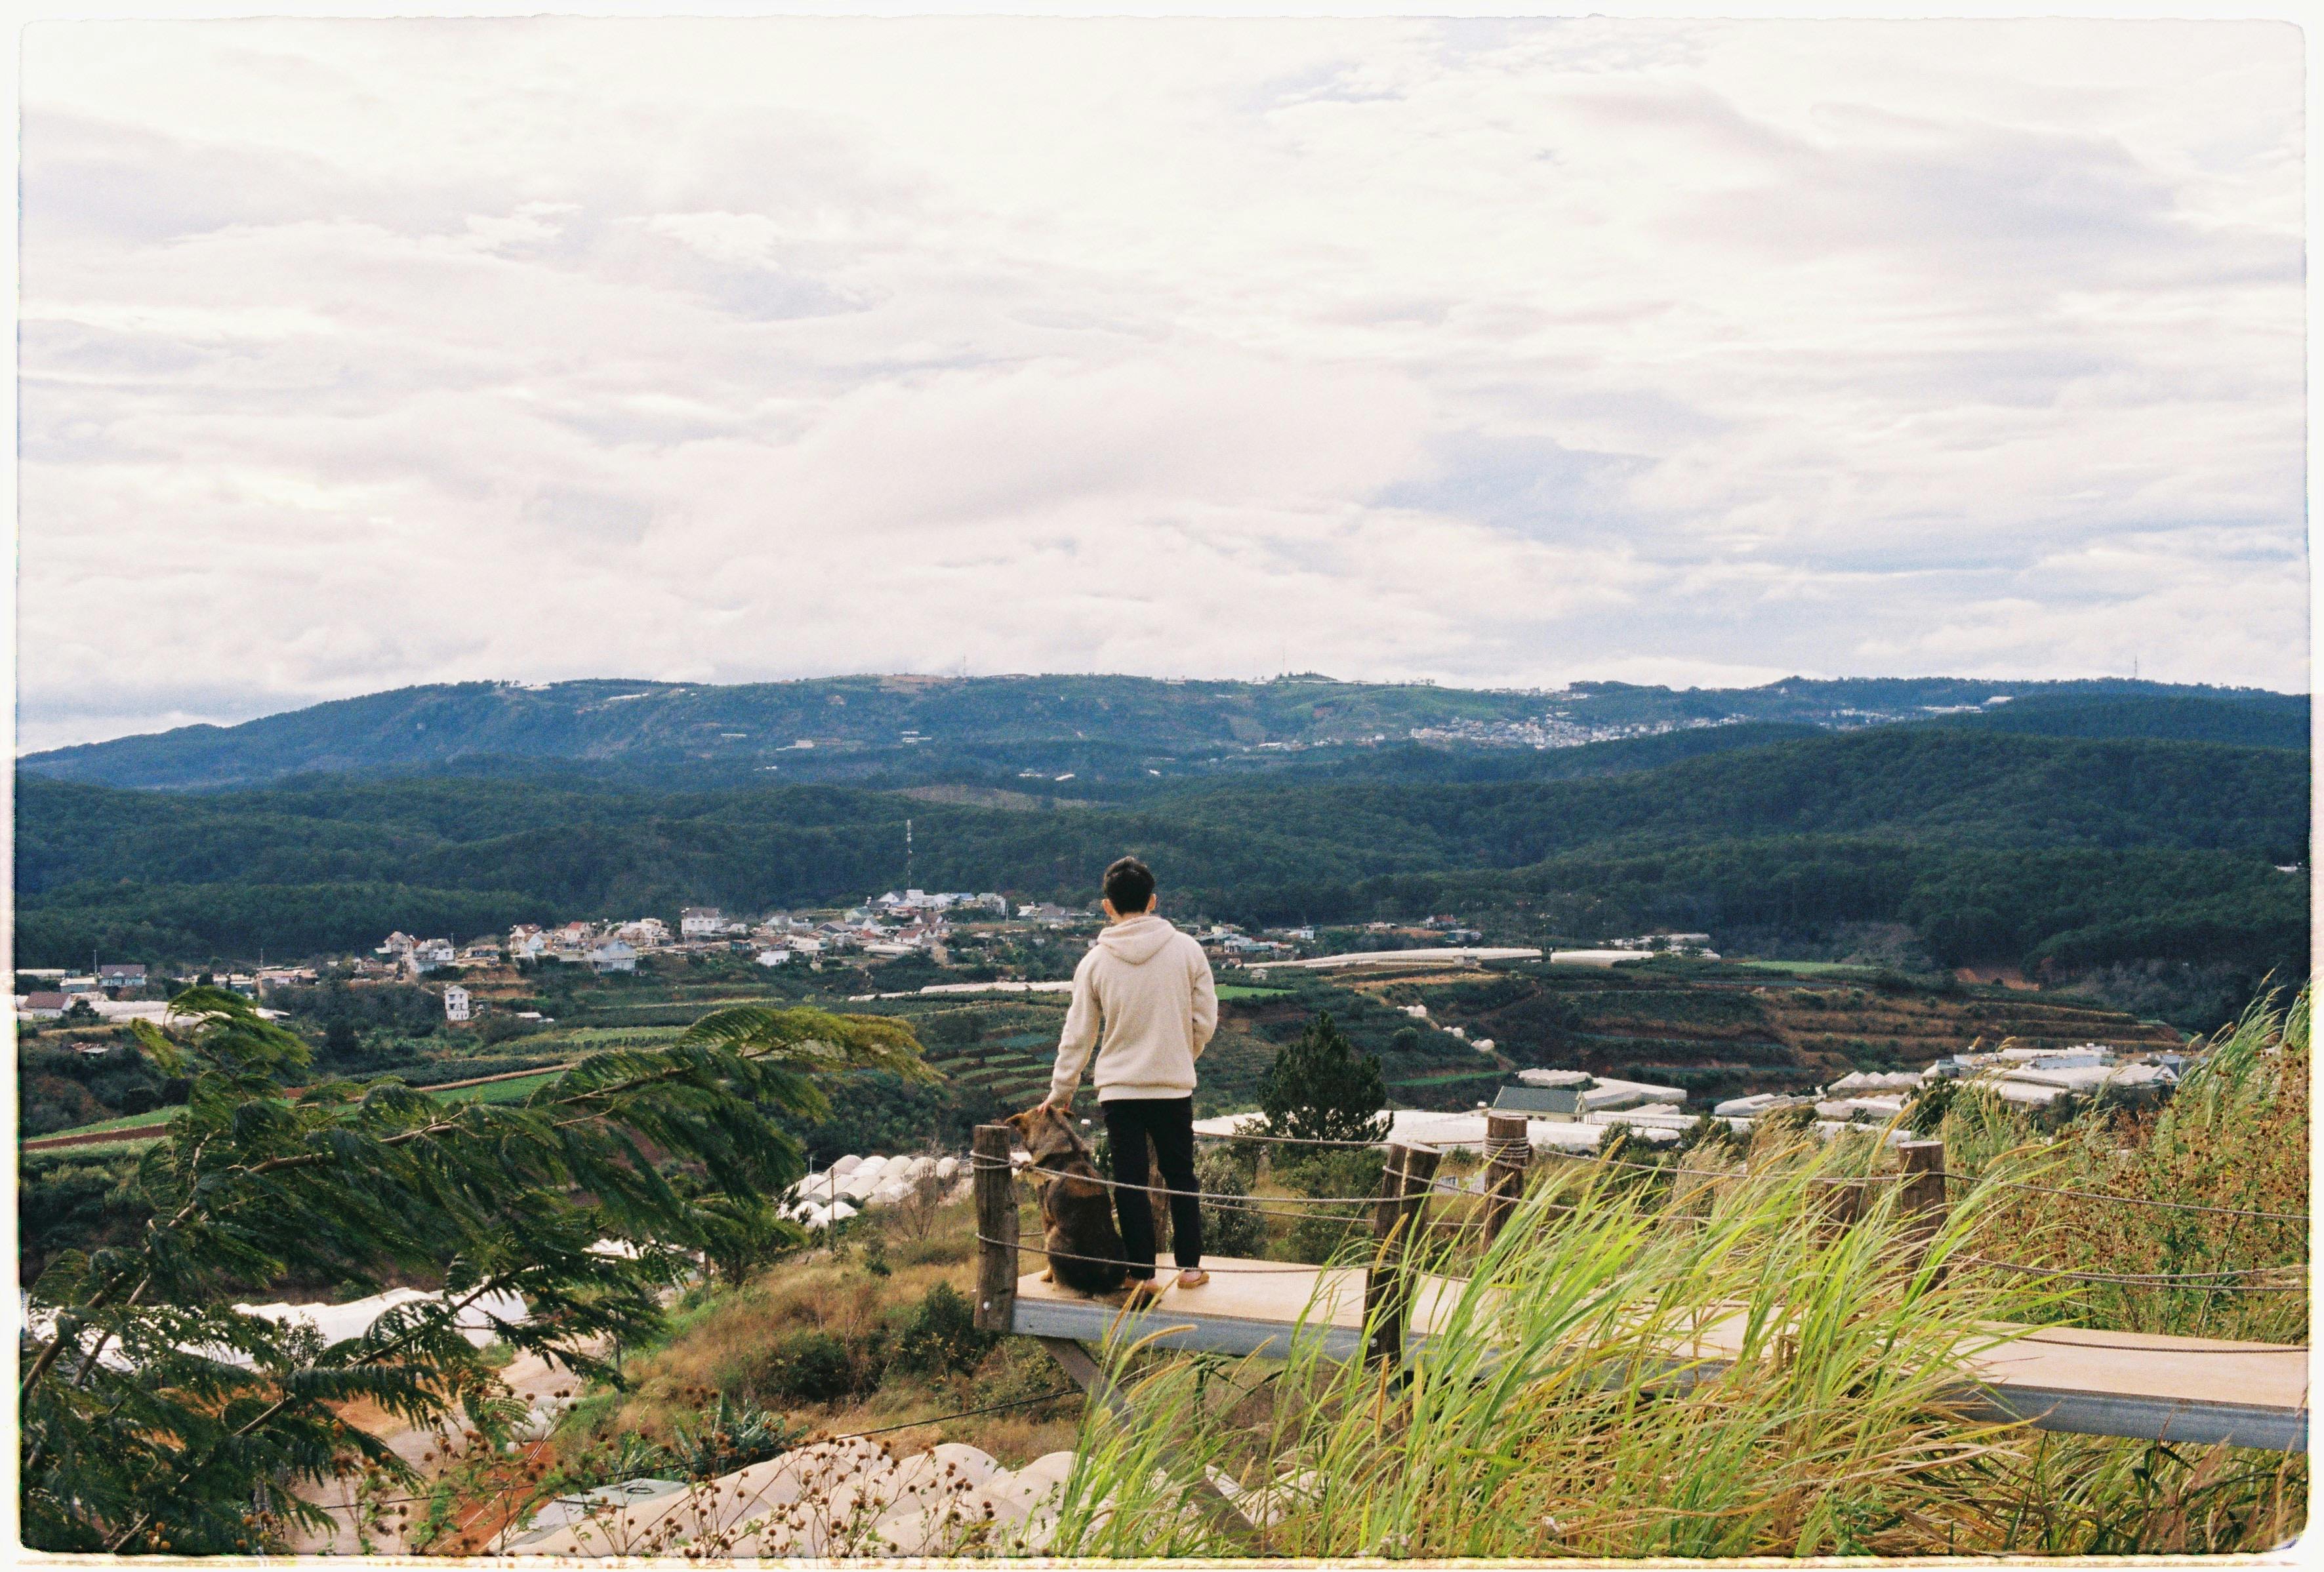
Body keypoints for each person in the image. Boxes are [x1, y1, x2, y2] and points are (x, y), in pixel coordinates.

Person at [1040, 855, 1219, 1304]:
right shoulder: (1187, 950)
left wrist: (1061, 1092)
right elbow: (1206, 1019)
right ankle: (1191, 1266)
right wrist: (1182, 1055)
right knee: (1182, 1175)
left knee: (1131, 1180)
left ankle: (1143, 1273)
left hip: (1119, 1091)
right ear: (1153, 900)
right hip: (1173, 1084)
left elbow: (1078, 1034)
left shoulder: (1095, 962)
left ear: (1107, 906)